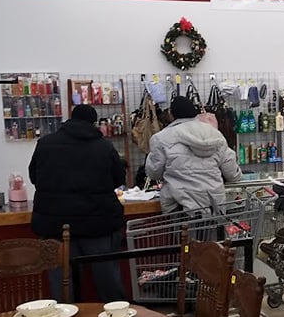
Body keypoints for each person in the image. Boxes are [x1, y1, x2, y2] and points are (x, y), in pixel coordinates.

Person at [29, 103, 126, 300]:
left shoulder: (45, 143)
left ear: (70, 119)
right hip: (98, 224)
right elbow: (119, 178)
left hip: (55, 225)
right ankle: (116, 316)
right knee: (107, 282)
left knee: (62, 286)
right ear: (93, 123)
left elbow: (34, 177)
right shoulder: (104, 146)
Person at [145, 95, 242, 214]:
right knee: (211, 226)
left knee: (184, 226)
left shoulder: (161, 139)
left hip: (179, 208)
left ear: (171, 114)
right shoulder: (215, 134)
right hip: (214, 206)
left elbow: (154, 173)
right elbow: (232, 173)